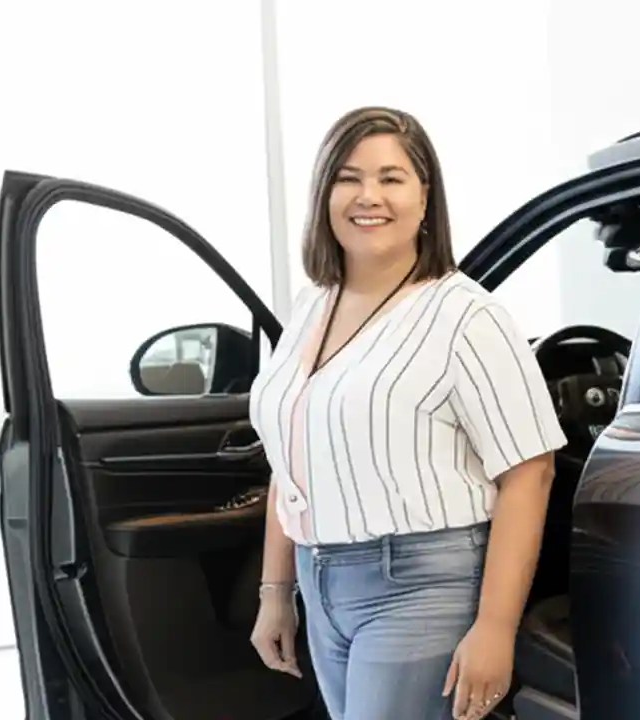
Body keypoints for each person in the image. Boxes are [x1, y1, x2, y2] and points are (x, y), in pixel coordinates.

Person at [246, 106, 567, 720]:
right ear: (324, 196)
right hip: (321, 580)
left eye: (391, 178)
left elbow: (531, 470)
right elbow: (291, 459)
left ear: (425, 198)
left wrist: (495, 628)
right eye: (348, 178)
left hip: (422, 585)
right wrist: (277, 591)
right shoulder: (312, 307)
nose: (369, 196)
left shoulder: (465, 315)